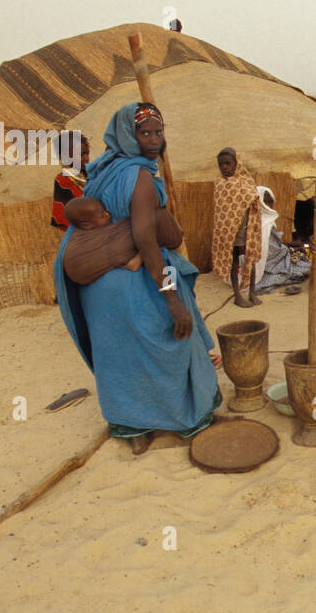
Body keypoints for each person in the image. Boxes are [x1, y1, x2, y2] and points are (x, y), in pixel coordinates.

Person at [54, 102, 220, 454]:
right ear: (129, 135)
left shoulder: (103, 168)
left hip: (98, 289)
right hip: (132, 281)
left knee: (120, 355)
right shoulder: (139, 176)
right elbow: (145, 240)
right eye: (145, 133)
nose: (154, 140)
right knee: (173, 343)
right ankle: (187, 420)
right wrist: (173, 300)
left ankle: (132, 428)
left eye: (159, 132)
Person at [211, 148, 263, 307]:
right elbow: (220, 210)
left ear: (237, 163)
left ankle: (252, 293)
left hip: (246, 229)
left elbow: (254, 197)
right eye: (221, 164)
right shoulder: (220, 183)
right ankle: (237, 295)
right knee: (234, 262)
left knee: (250, 260)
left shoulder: (246, 181)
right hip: (229, 232)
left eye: (228, 163)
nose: (224, 167)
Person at [50, 131, 91, 229]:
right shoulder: (62, 180)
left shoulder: (91, 173)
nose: (86, 158)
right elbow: (63, 214)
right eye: (81, 155)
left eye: (87, 153)